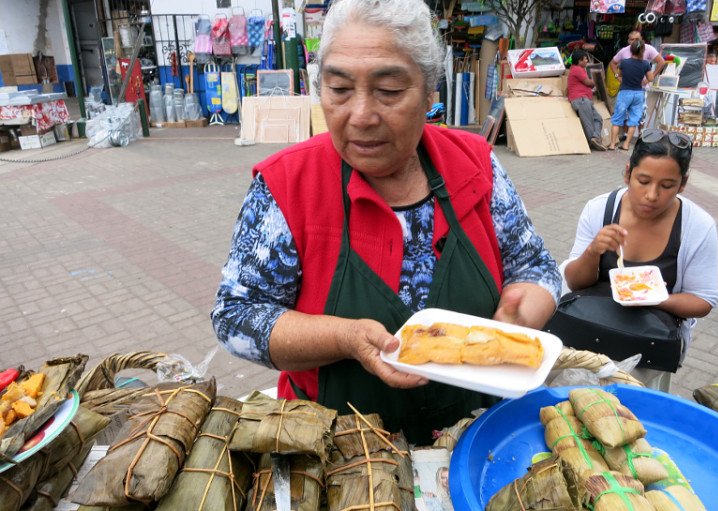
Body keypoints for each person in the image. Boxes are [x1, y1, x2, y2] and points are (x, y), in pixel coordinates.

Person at [211, 0, 561, 445]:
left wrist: (518, 315)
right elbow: (236, 317)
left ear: (431, 92)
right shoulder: (287, 185)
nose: (360, 115)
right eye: (339, 89)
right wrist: (345, 337)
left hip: (476, 441)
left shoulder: (475, 165)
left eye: (389, 91)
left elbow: (537, 268)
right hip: (338, 455)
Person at [562, 129, 718, 389]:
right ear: (627, 173)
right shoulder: (600, 209)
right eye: (643, 181)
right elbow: (575, 282)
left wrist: (658, 298)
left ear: (683, 184)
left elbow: (704, 300)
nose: (652, 195)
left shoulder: (698, 226)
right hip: (587, 332)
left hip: (648, 344)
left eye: (667, 186)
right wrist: (593, 251)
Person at [608, 40, 654, 151]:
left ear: (631, 50)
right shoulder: (645, 64)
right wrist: (644, 82)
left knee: (617, 119)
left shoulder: (624, 63)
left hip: (625, 93)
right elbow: (651, 78)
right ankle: (626, 144)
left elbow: (618, 74)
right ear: (642, 51)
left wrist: (618, 77)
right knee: (633, 121)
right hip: (638, 94)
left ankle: (612, 144)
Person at [567, 49, 606, 152]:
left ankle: (595, 138)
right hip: (581, 100)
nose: (587, 62)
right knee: (588, 123)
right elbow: (588, 83)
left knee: (598, 118)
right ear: (580, 60)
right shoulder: (578, 69)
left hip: (584, 100)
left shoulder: (576, 69)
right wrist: (596, 80)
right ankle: (593, 141)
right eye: (585, 59)